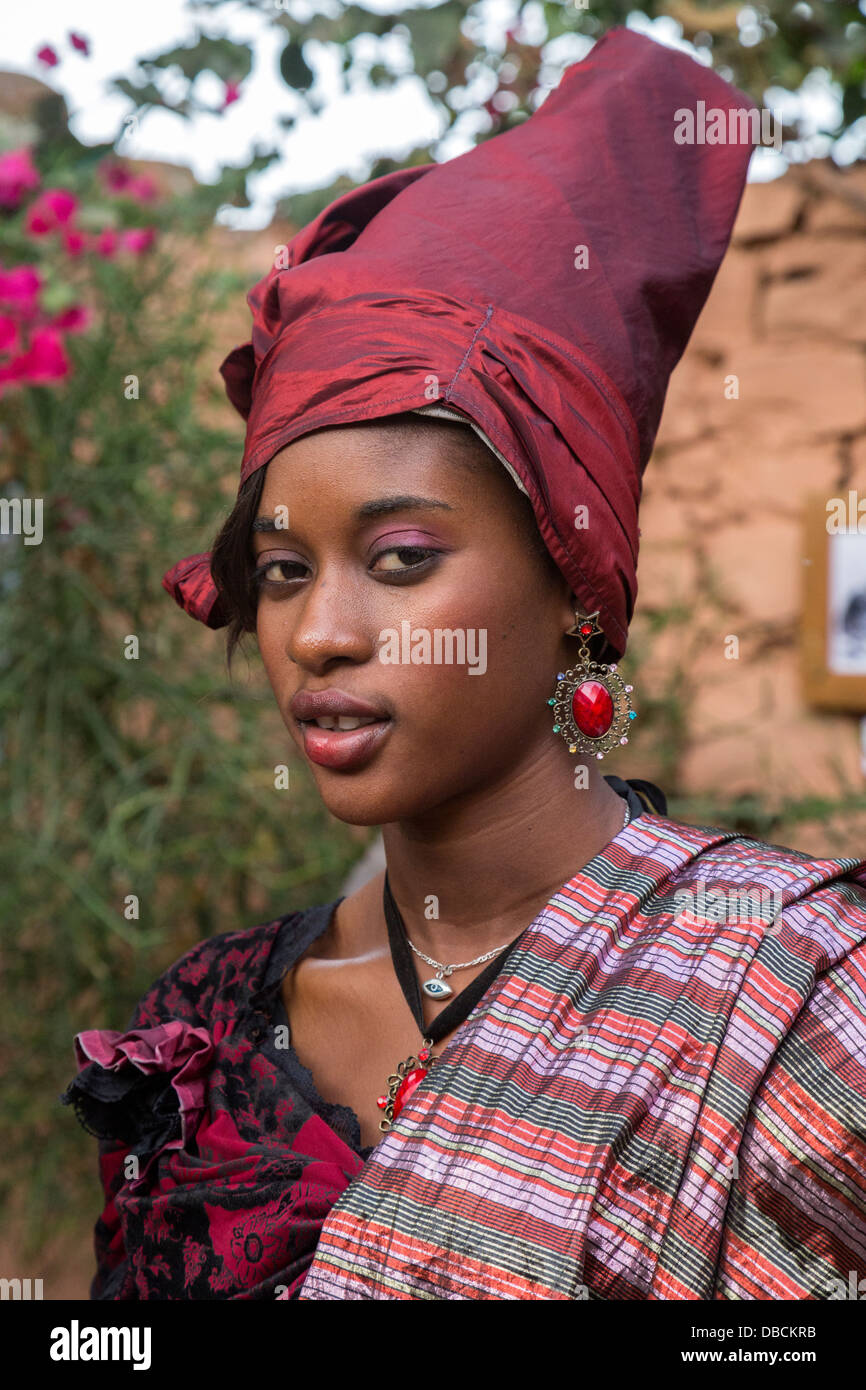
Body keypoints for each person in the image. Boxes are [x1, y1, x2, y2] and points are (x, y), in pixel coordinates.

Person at [61, 26, 866, 1301]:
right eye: (281, 571)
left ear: (570, 583)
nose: (318, 632)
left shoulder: (782, 1007)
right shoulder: (205, 1029)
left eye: (399, 560)